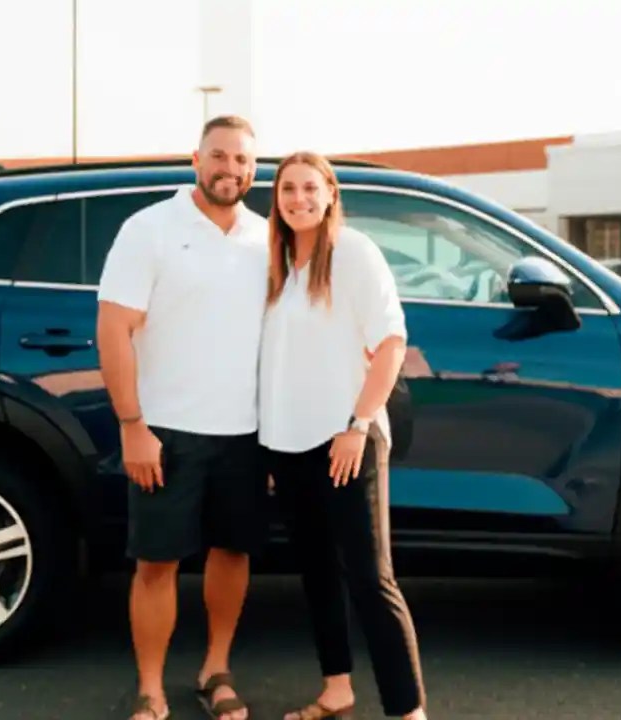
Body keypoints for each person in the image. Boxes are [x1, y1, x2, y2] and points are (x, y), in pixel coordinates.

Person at [96, 115, 269, 720]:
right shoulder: (150, 229)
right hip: (165, 430)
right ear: (195, 160)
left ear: (253, 168)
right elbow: (114, 329)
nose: (231, 169)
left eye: (243, 160)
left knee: (232, 553)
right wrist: (132, 425)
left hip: (246, 432)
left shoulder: (266, 237)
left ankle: (215, 671)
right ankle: (150, 688)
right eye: (219, 156)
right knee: (157, 562)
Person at [258, 152, 429, 720]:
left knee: (371, 580)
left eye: (310, 188)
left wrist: (357, 426)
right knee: (317, 573)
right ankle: (336, 690)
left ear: (331, 193)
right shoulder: (277, 263)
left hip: (345, 441)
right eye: (288, 189)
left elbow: (391, 343)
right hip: (287, 444)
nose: (298, 198)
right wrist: (266, 443)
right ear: (276, 198)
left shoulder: (353, 253)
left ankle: (408, 712)